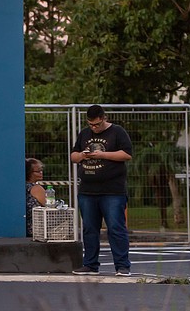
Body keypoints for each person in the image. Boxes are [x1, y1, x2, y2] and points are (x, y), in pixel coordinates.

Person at [71, 105, 133, 276]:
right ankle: (90, 264)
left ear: (104, 118)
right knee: (89, 228)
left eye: (97, 124)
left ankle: (122, 265)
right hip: (88, 189)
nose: (94, 128)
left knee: (115, 227)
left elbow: (126, 154)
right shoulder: (84, 133)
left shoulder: (117, 132)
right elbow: (73, 156)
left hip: (112, 190)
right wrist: (83, 155)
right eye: (90, 124)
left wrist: (102, 155)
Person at [25, 158, 48, 238]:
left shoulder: (23, 187)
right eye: (38, 171)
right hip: (37, 229)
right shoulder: (36, 188)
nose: (41, 173)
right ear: (29, 173)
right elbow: (49, 205)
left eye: (41, 170)